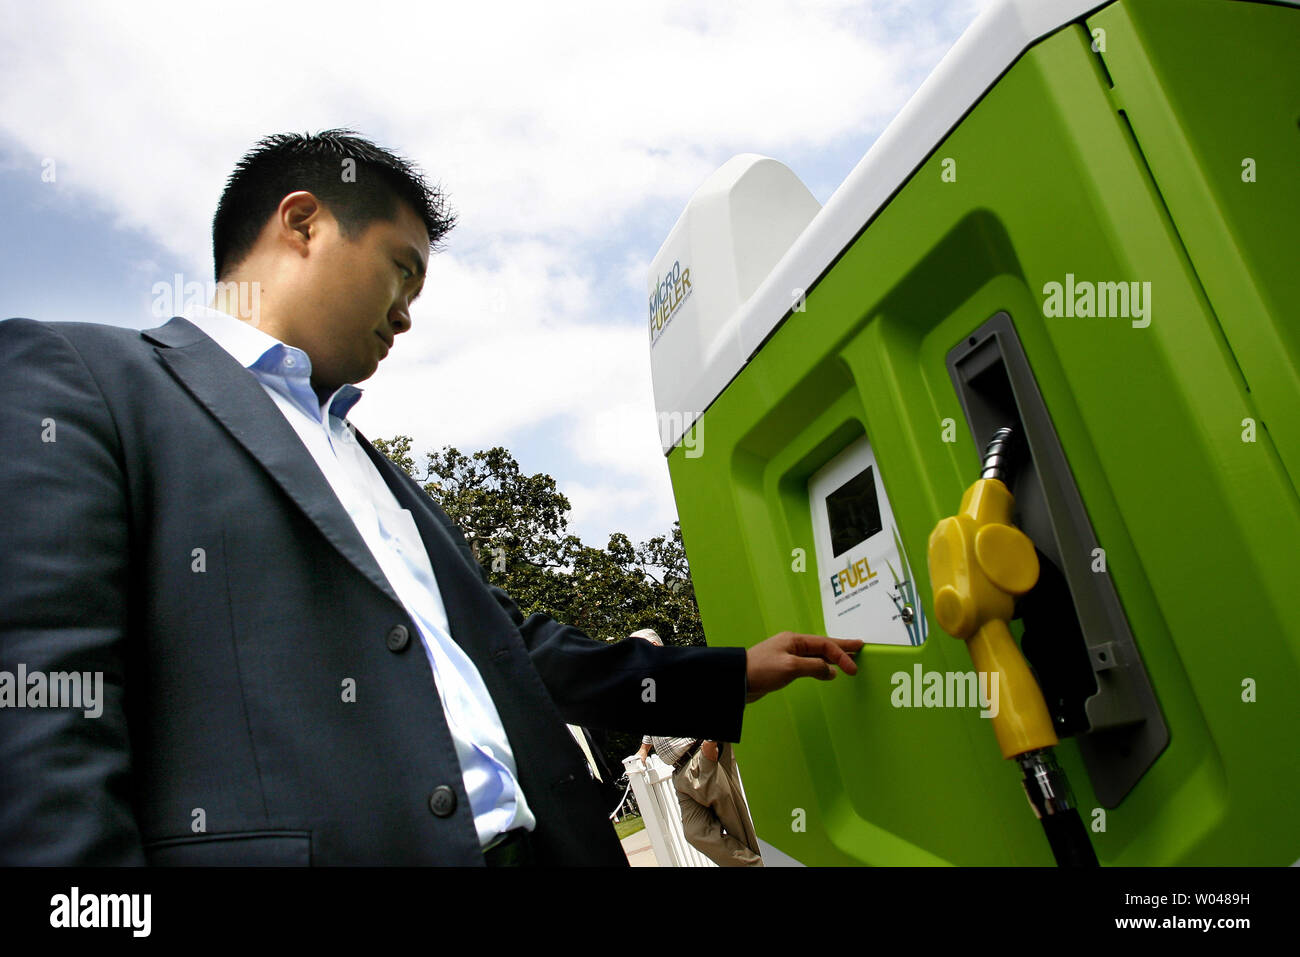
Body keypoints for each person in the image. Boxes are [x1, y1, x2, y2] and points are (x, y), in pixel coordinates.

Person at [0, 129, 863, 866]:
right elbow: (46, 716)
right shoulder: (84, 381)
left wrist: (727, 673)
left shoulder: (383, 480)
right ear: (303, 222)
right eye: (400, 271)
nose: (407, 317)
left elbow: (522, 658)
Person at [631, 629, 763, 866]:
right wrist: (643, 750)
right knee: (695, 833)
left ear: (655, 646)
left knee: (739, 830)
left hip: (702, 757)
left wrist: (710, 744)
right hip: (679, 772)